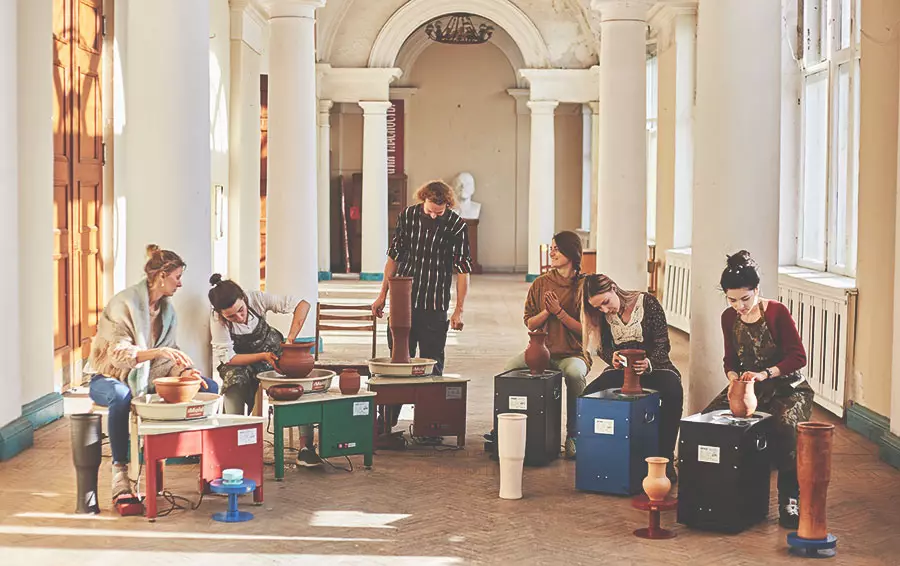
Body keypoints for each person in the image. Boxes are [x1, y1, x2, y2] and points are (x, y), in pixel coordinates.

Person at [88, 245, 219, 500]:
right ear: (161, 276)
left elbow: (170, 354)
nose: (180, 284)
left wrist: (185, 373)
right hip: (109, 377)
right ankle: (120, 471)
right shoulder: (123, 303)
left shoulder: (167, 311)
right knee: (121, 395)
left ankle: (207, 467)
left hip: (146, 376)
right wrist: (156, 354)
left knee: (207, 386)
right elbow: (117, 354)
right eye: (177, 277)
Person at [701, 250, 813, 529]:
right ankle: (713, 489)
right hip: (750, 388)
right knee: (705, 422)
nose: (739, 306)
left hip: (788, 387)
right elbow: (730, 358)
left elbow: (799, 357)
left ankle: (790, 499)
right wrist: (732, 377)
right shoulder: (729, 317)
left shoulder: (776, 312)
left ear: (757, 290)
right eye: (732, 299)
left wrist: (765, 373)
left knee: (787, 430)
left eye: (745, 298)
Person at [371, 180, 472, 437]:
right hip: (403, 301)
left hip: (434, 303)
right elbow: (393, 257)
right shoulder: (407, 216)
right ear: (423, 199)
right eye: (429, 210)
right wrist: (382, 295)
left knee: (432, 363)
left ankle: (431, 425)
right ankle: (386, 424)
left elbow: (462, 271)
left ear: (447, 206)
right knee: (398, 362)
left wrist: (458, 309)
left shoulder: (456, 226)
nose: (433, 215)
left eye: (439, 212)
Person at [488, 231, 589, 459]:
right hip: (542, 353)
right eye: (551, 248)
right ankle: (505, 429)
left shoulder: (585, 286)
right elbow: (529, 323)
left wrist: (560, 313)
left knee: (574, 374)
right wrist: (546, 312)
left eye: (556, 248)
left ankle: (574, 435)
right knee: (510, 368)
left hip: (573, 353)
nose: (551, 252)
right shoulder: (541, 283)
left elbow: (586, 331)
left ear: (571, 253)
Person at [207, 274, 320, 466]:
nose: (239, 318)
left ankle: (306, 448)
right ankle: (234, 449)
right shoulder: (218, 320)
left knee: (297, 378)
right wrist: (261, 357)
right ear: (221, 314)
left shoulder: (256, 299)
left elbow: (302, 304)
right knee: (234, 384)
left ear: (244, 298)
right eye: (231, 316)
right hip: (240, 361)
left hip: (270, 351)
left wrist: (291, 339)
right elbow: (229, 358)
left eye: (241, 311)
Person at [580, 273, 683, 481]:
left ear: (613, 287)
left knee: (673, 388)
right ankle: (605, 455)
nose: (604, 310)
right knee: (589, 394)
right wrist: (613, 358)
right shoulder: (603, 315)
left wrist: (649, 363)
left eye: (605, 303)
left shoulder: (648, 303)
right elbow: (604, 349)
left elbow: (664, 344)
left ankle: (664, 458)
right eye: (599, 307)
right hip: (623, 372)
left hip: (655, 368)